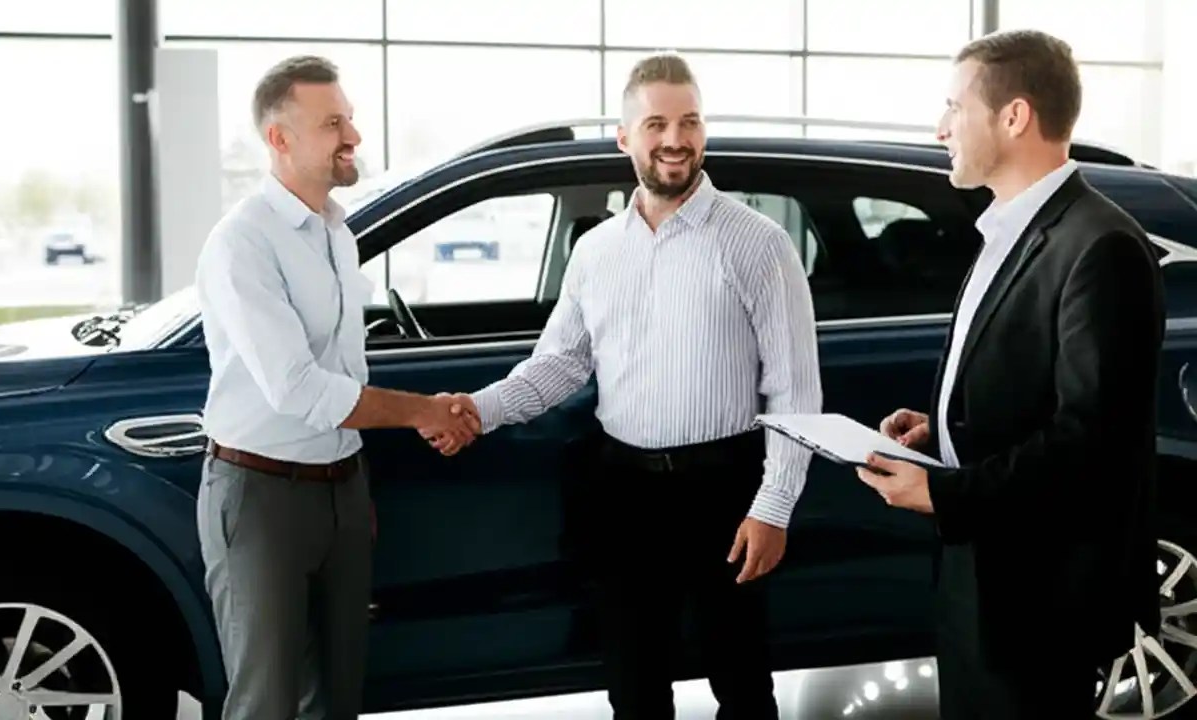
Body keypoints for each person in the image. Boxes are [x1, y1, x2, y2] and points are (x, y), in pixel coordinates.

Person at [428, 53, 822, 719]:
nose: (677, 139)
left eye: (690, 121)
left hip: (723, 491)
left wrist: (773, 505)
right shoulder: (597, 251)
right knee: (634, 687)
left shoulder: (758, 244)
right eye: (657, 123)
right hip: (623, 494)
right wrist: (477, 410)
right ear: (625, 137)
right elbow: (559, 364)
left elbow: (795, 392)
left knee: (743, 682)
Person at [857, 30, 1164, 719]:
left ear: (1015, 116)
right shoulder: (1010, 227)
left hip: (1040, 589)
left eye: (953, 107)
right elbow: (1031, 380)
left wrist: (947, 493)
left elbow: (1090, 441)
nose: (940, 129)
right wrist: (944, 426)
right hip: (984, 567)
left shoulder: (1101, 245)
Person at [194, 55, 479, 720]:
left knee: (341, 695)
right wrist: (423, 412)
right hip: (263, 495)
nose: (353, 135)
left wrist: (350, 481)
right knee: (266, 701)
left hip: (340, 489)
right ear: (280, 139)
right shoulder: (243, 243)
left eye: (348, 119)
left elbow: (344, 370)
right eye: (333, 124)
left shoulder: (336, 232)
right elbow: (299, 388)